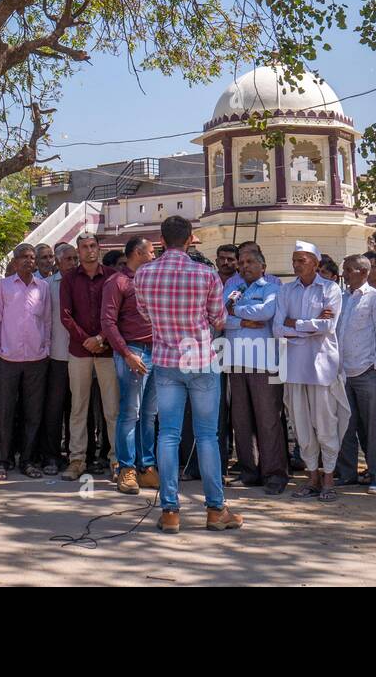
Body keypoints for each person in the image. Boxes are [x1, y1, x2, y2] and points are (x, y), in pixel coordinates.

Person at [137, 215, 240, 532]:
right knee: (207, 436)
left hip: (167, 360)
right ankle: (215, 509)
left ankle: (170, 511)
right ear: (190, 238)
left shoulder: (144, 274)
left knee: (168, 434)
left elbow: (144, 312)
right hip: (200, 359)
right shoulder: (206, 273)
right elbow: (219, 318)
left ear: (161, 240)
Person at [277, 241, 348, 502]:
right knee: (302, 426)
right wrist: (310, 326)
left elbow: (328, 326)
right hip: (295, 367)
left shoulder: (331, 289)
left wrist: (295, 324)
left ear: (316, 264)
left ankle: (329, 479)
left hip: (322, 367)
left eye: (302, 260)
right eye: (294, 260)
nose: (296, 265)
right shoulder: (286, 291)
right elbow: (277, 328)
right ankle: (312, 478)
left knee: (326, 424)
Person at [224, 247, 287, 494]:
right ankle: (249, 472)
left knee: (268, 419)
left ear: (263, 265)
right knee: (241, 420)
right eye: (242, 263)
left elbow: (266, 312)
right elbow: (218, 315)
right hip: (235, 361)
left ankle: (274, 474)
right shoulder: (233, 287)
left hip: (264, 362)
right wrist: (243, 321)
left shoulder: (271, 287)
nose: (245, 266)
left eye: (250, 262)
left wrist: (234, 311)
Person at [58, 232, 118, 482]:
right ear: (78, 251)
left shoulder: (113, 277)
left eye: (93, 246)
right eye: (84, 247)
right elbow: (65, 316)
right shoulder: (69, 280)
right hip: (79, 350)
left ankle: (117, 460)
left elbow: (118, 313)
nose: (89, 250)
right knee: (79, 408)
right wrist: (87, 340)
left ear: (99, 249)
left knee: (112, 409)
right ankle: (77, 459)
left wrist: (101, 338)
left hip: (108, 350)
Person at [0, 243, 52, 480]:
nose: (29, 261)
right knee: (5, 411)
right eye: (24, 258)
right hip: (8, 356)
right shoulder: (4, 286)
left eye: (32, 257)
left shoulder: (43, 287)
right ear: (15, 262)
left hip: (36, 357)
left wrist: (45, 347)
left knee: (32, 412)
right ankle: (1, 461)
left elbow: (46, 320)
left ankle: (27, 460)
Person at [101, 236, 156, 495]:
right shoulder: (117, 282)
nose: (154, 256)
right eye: (151, 252)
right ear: (137, 253)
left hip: (156, 352)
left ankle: (146, 468)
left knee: (149, 413)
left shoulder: (150, 280)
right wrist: (126, 354)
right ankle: (126, 469)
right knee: (130, 412)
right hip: (133, 351)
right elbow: (108, 323)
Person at [334, 254, 376, 491]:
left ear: (363, 272)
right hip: (342, 371)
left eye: (349, 270)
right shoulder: (342, 298)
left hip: (366, 371)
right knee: (345, 427)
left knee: (374, 428)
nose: (344, 274)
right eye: (344, 269)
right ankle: (347, 474)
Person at [38, 241, 76, 474]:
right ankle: (51, 456)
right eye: (69, 259)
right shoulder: (46, 286)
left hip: (81, 355)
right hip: (55, 356)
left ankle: (77, 455)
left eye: (75, 259)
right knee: (53, 409)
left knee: (78, 410)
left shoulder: (85, 283)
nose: (73, 263)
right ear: (58, 261)